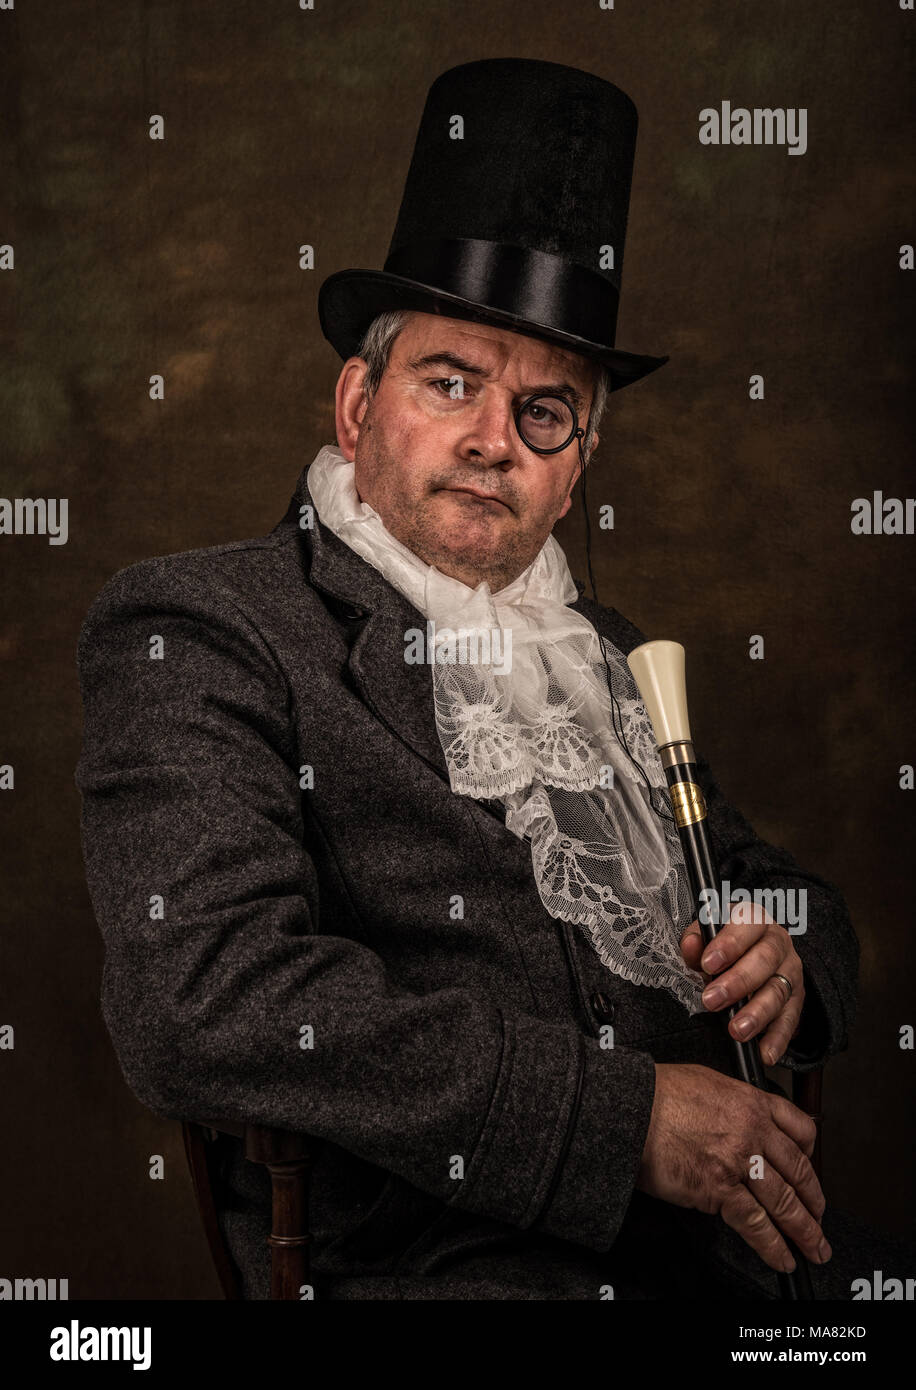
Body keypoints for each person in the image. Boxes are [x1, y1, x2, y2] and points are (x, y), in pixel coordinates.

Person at [74, 60, 907, 1300]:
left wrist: (787, 952)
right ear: (357, 404)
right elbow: (203, 1000)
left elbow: (774, 884)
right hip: (444, 1265)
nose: (491, 441)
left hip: (730, 1256)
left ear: (574, 473)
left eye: (544, 413)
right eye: (451, 382)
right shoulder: (203, 624)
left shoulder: (601, 648)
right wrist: (624, 1121)